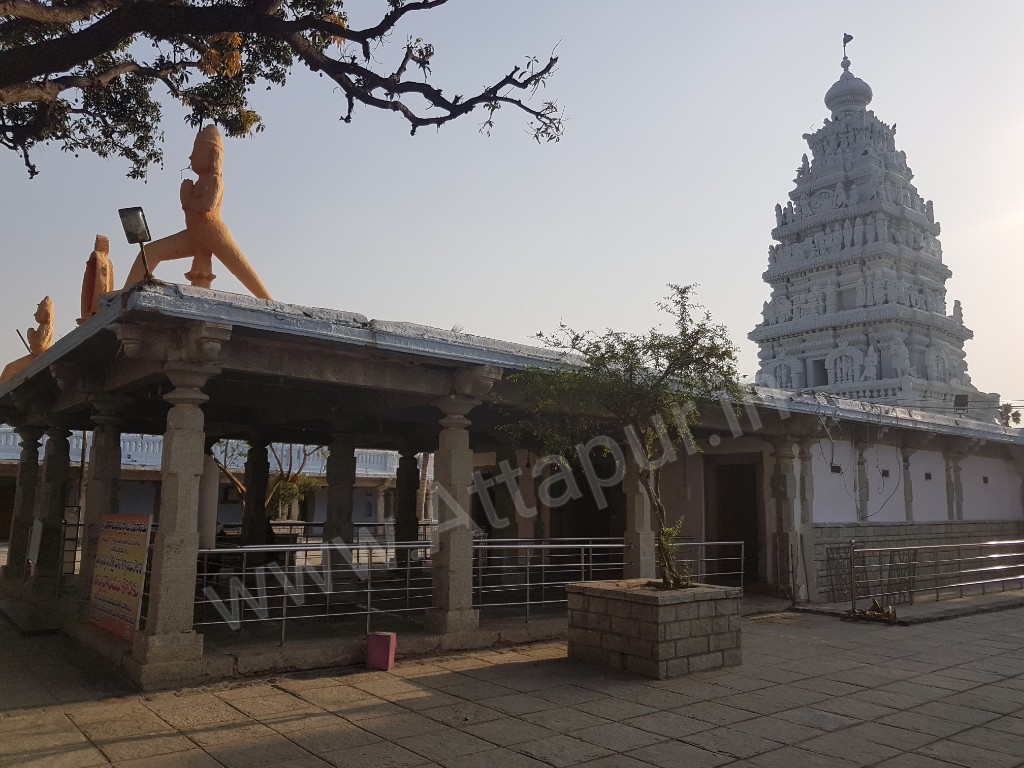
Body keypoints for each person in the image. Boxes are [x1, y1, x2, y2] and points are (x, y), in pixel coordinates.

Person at [120, 125, 272, 299]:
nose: (191, 157)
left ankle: (269, 301)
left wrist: (187, 199)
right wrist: (186, 197)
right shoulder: (198, 182)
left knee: (242, 269)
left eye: (196, 151)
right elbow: (190, 210)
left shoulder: (215, 180)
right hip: (195, 233)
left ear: (211, 155)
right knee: (150, 251)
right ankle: (128, 290)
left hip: (213, 232)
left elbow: (207, 206)